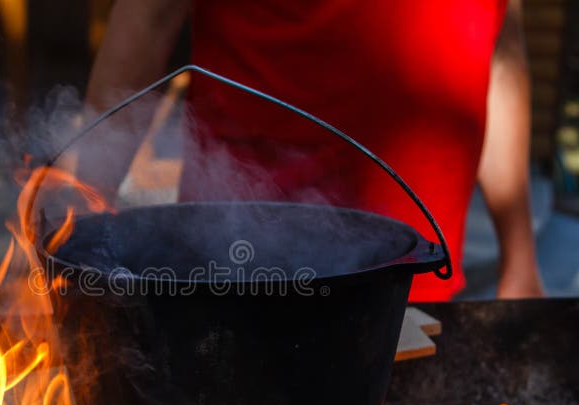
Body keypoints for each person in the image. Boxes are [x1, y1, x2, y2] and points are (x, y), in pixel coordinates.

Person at [84, 0, 544, 301]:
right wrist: (78, 213)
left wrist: (520, 258)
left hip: (420, 278)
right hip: (248, 279)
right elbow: (150, 16)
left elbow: (499, 40)